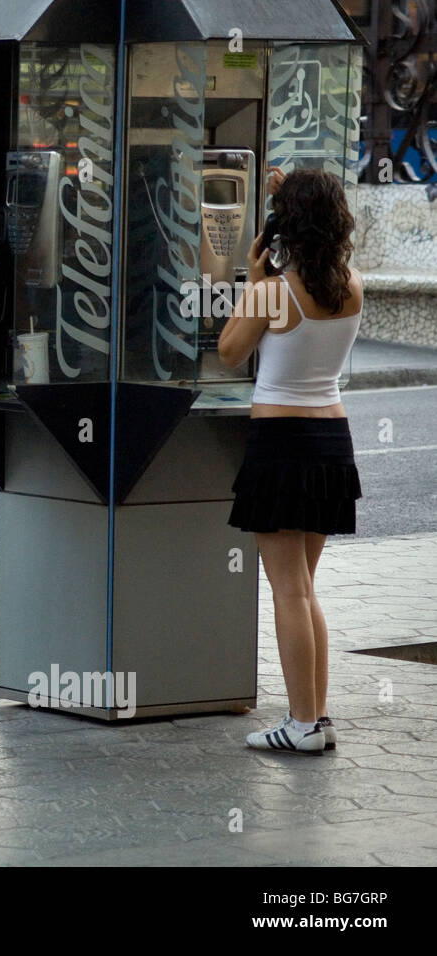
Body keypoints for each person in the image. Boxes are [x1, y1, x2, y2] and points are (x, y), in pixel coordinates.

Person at [218, 167, 364, 754]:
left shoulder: (272, 291)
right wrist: (287, 188)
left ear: (287, 227)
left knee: (287, 590)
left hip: (279, 444)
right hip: (332, 442)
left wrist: (253, 278)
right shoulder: (354, 283)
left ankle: (301, 724)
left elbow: (230, 351)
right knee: (305, 587)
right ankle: (316, 717)